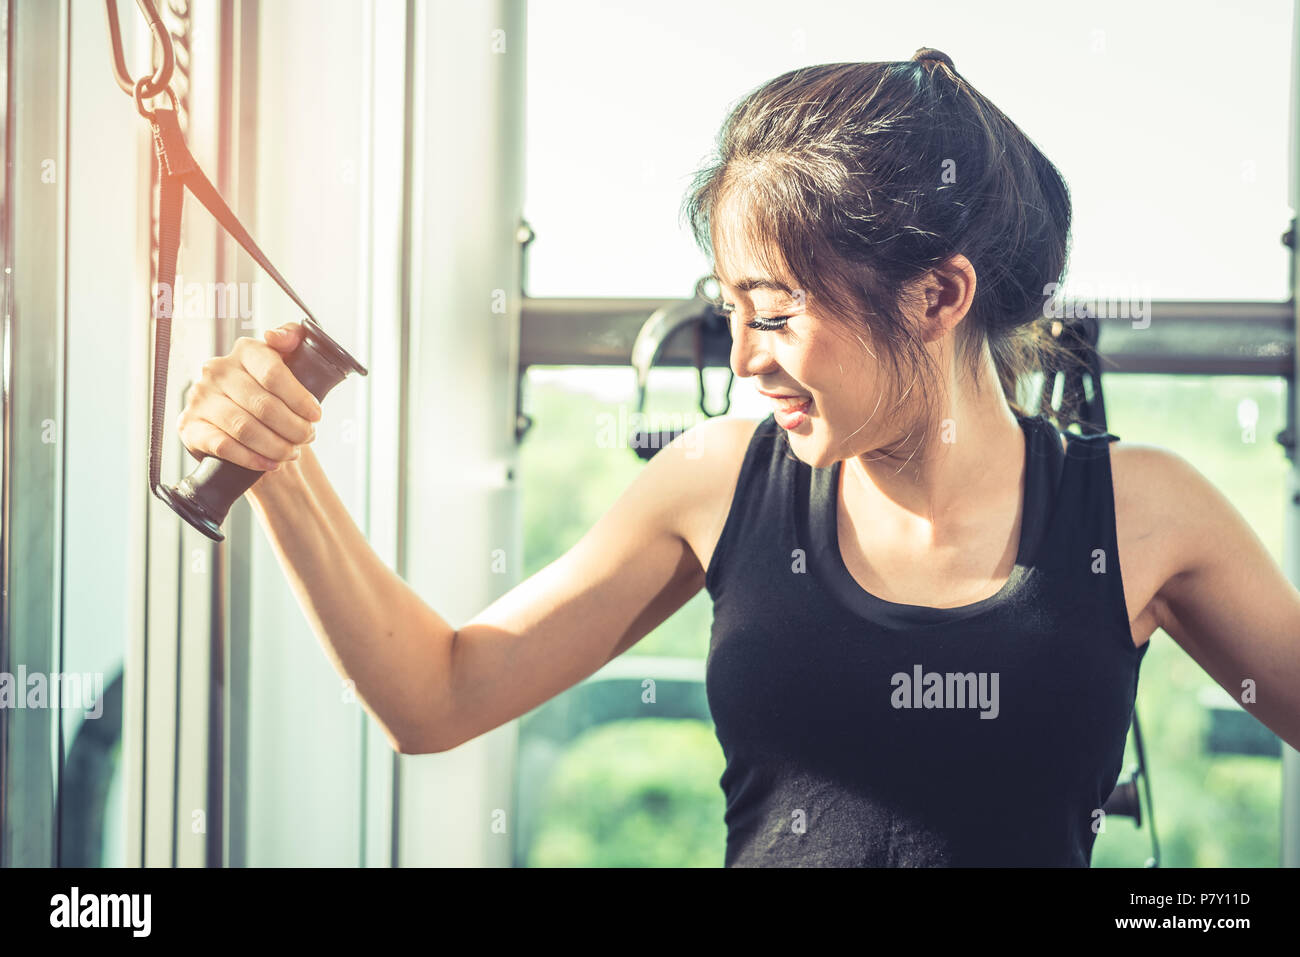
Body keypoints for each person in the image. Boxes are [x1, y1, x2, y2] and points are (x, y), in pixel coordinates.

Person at [177, 48, 1300, 866]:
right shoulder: (720, 482)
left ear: (937, 295)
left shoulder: (1143, 512)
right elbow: (439, 696)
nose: (747, 364)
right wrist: (283, 463)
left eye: (774, 314)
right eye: (731, 316)